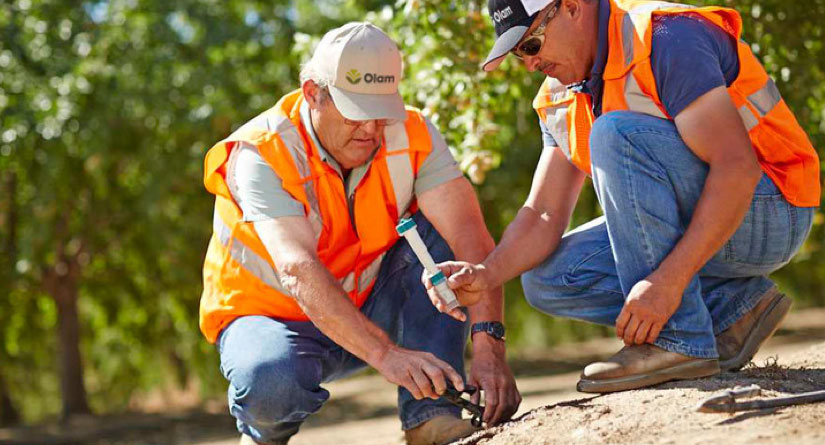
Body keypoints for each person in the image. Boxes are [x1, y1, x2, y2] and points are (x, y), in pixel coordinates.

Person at [428, 0, 819, 393]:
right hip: (718, 217)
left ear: (572, 8)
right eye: (518, 53)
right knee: (547, 279)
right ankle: (735, 309)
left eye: (531, 45)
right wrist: (487, 273)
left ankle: (676, 338)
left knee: (613, 133)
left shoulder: (666, 39)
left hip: (773, 210)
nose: (530, 64)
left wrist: (667, 282)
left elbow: (737, 169)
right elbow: (543, 213)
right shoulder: (561, 94)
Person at [198, 22, 520, 445]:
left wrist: (489, 345)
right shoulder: (262, 153)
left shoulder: (413, 133)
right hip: (272, 321)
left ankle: (430, 417)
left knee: (440, 238)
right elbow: (297, 268)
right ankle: (264, 435)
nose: (371, 129)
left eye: (380, 111)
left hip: (368, 306)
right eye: (356, 111)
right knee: (270, 381)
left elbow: (471, 239)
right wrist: (385, 355)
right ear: (312, 93)